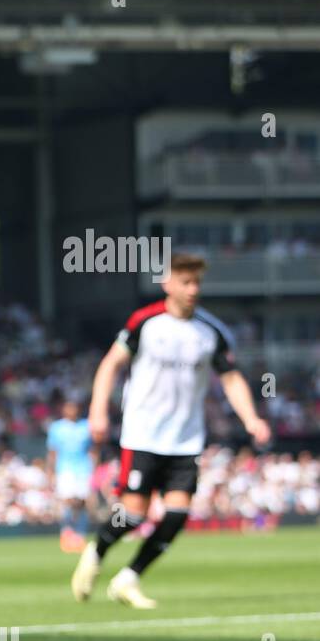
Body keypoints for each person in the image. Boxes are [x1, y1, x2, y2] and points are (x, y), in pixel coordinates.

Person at [70, 255, 271, 608]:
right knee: (133, 515)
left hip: (185, 439)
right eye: (185, 282)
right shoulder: (145, 322)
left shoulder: (211, 332)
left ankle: (128, 579)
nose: (192, 290)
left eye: (197, 283)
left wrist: (251, 418)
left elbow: (231, 378)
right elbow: (110, 364)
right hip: (142, 434)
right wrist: (97, 410)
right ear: (167, 283)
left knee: (177, 515)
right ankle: (97, 550)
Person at [46, 400, 94, 553]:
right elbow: (53, 451)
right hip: (65, 469)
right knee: (67, 501)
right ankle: (66, 533)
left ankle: (80, 535)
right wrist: (51, 471)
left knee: (81, 502)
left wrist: (94, 469)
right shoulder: (57, 427)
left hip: (83, 468)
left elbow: (93, 450)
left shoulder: (86, 426)